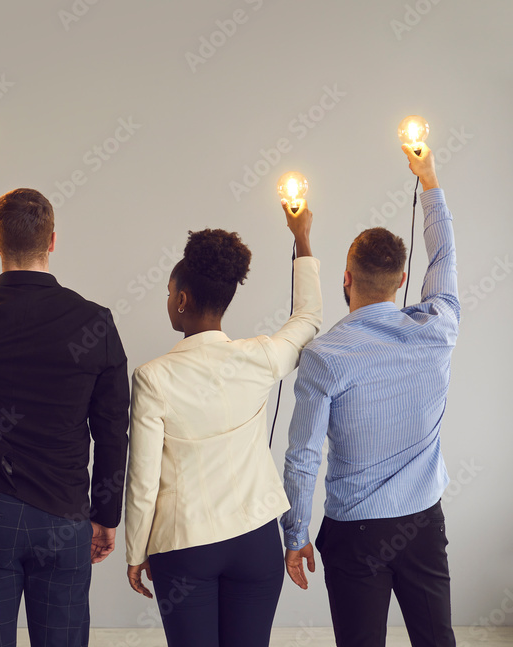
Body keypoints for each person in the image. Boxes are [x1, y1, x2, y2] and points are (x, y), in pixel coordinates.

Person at [0, 148, 130, 646]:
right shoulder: (95, 321)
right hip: (64, 515)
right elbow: (112, 430)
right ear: (53, 242)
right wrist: (105, 515)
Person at [281, 145, 459, 647]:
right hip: (423, 523)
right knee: (436, 640)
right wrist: (427, 178)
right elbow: (444, 255)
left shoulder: (324, 355)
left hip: (355, 534)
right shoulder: (438, 327)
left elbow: (302, 457)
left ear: (346, 278)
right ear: (403, 280)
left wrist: (294, 536)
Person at [124, 204, 321, 646]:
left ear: (182, 299)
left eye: (169, 291)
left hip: (185, 546)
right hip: (256, 543)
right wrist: (302, 238)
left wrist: (136, 551)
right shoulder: (260, 356)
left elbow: (143, 481)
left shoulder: (152, 377)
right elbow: (308, 319)